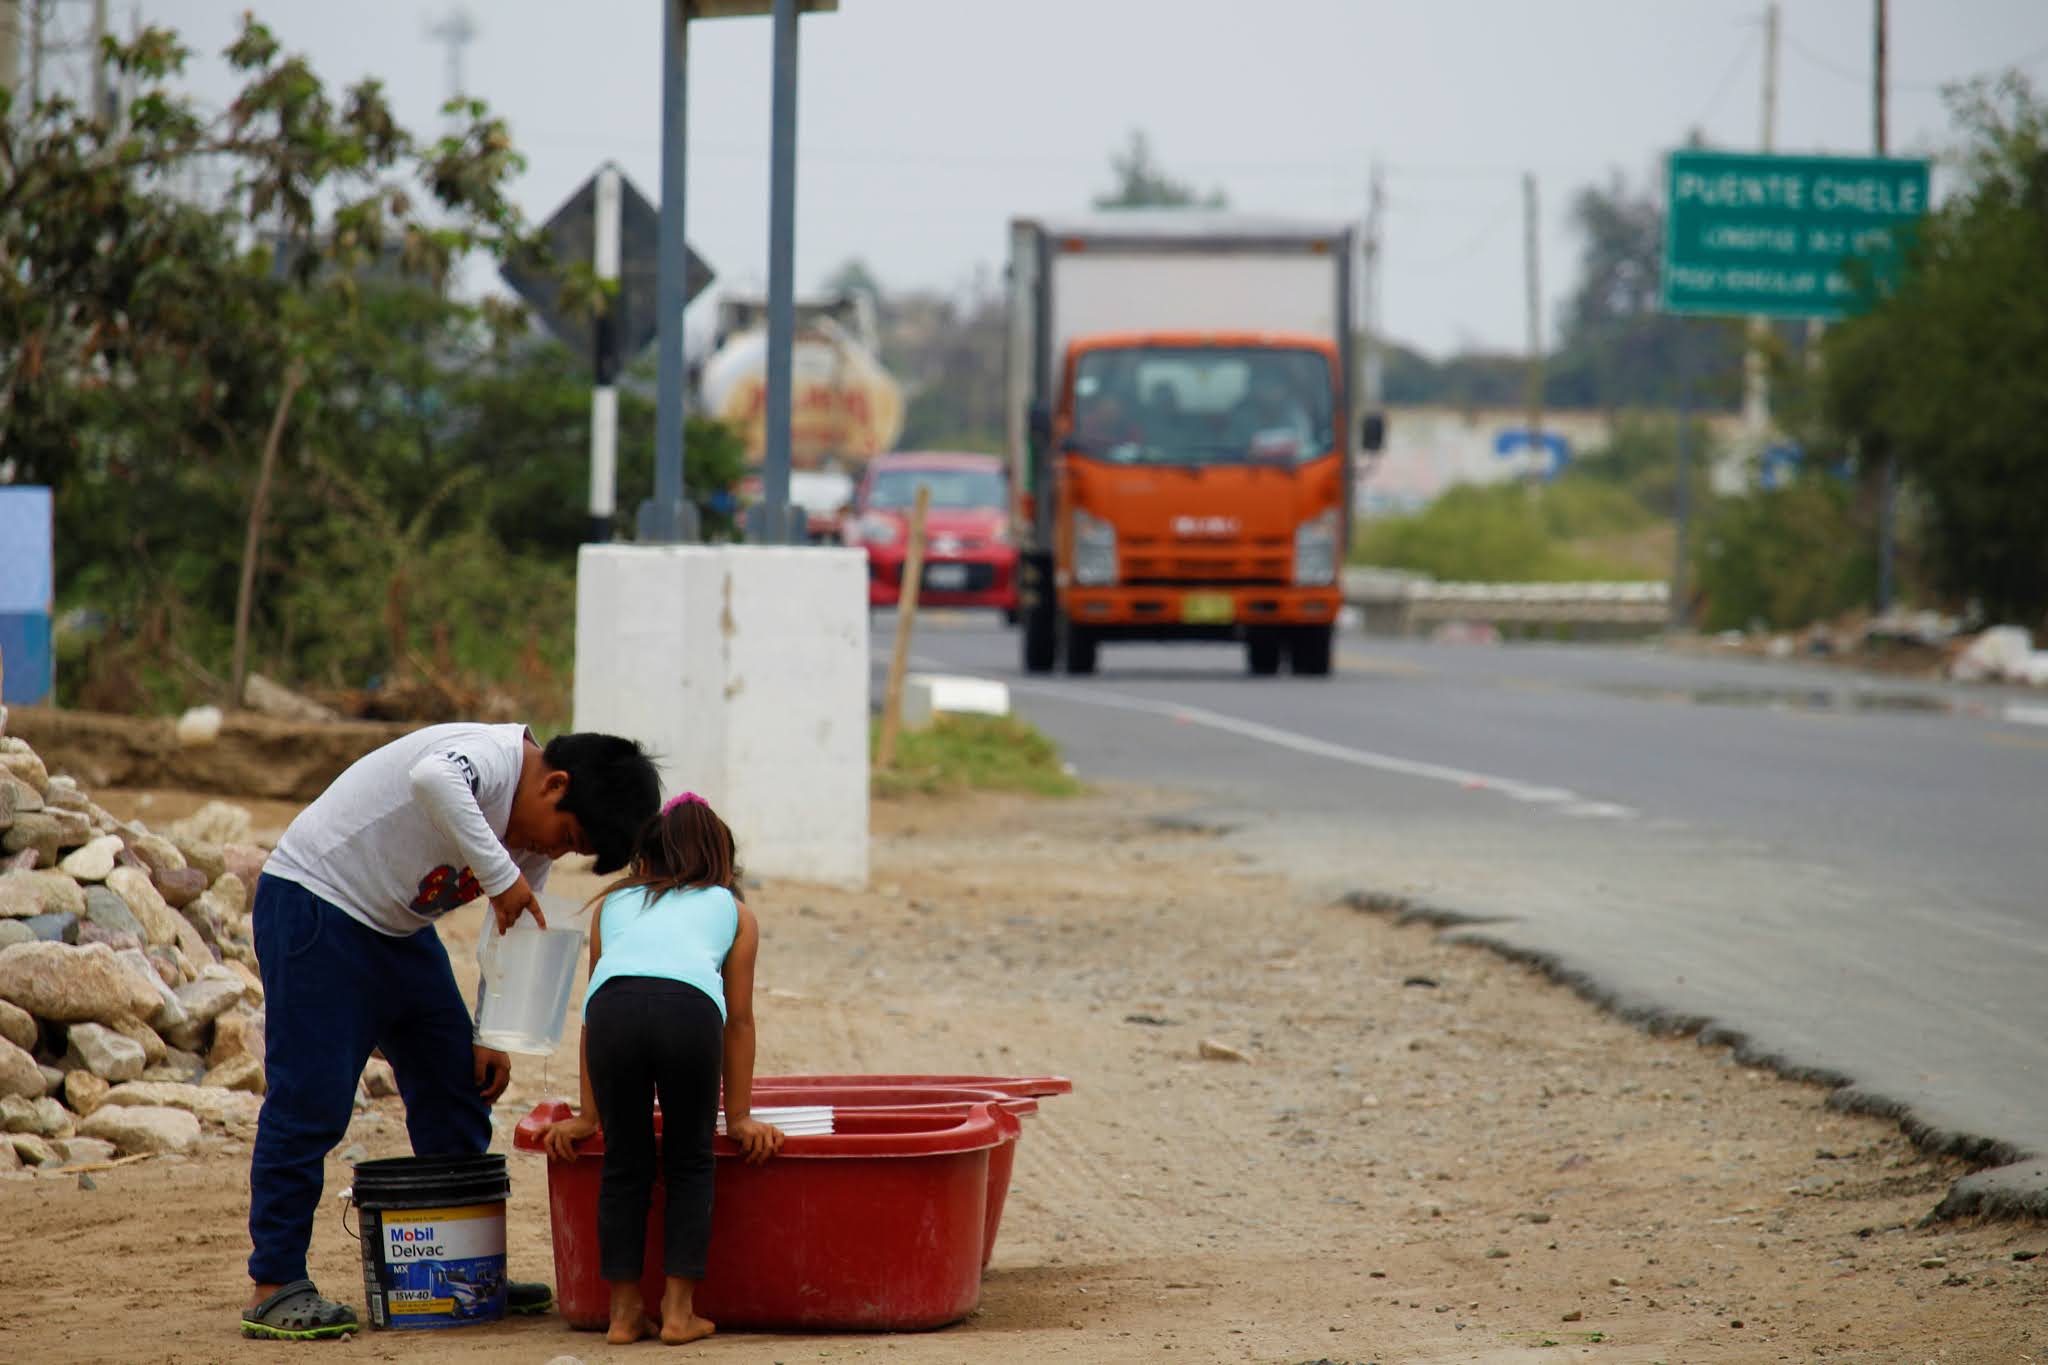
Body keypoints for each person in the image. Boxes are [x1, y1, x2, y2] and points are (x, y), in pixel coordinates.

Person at [240, 725, 660, 1341]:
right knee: (311, 1100)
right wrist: (501, 876)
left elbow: (512, 926)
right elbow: (432, 778)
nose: (556, 851)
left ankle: (465, 1270)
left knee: (457, 1085)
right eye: (567, 836)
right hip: (318, 907)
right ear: (555, 784)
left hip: (400, 933)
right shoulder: (489, 759)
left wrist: (491, 1031)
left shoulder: (533, 844)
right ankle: (275, 1283)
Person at [538, 791, 784, 1346]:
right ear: (722, 860)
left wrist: (588, 1116)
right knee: (690, 1160)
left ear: (644, 856)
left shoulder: (613, 906)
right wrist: (738, 1116)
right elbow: (739, 1021)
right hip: (688, 1015)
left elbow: (593, 1011)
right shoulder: (734, 911)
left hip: (614, 1016)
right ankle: (678, 1312)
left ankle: (623, 1313)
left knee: (624, 1163)